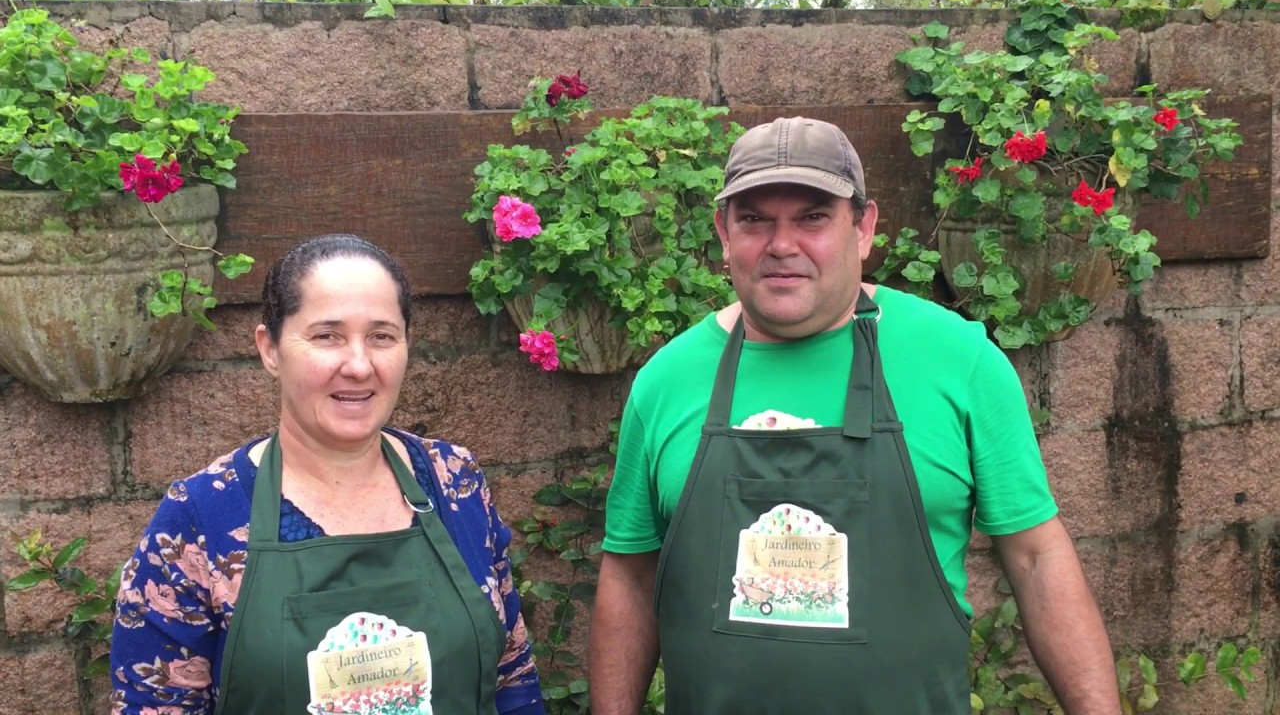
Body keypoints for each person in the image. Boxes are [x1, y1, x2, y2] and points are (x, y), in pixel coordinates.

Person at [588, 117, 1120, 714]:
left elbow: (1036, 556)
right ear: (723, 231)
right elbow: (630, 577)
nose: (781, 245)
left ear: (863, 228)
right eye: (755, 219)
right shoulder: (667, 380)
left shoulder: (959, 360)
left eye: (813, 217)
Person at [110, 234, 544, 715]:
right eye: (326, 336)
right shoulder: (202, 515)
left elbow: (513, 679)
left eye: (381, 336)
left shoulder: (454, 481)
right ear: (269, 349)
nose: (359, 365)